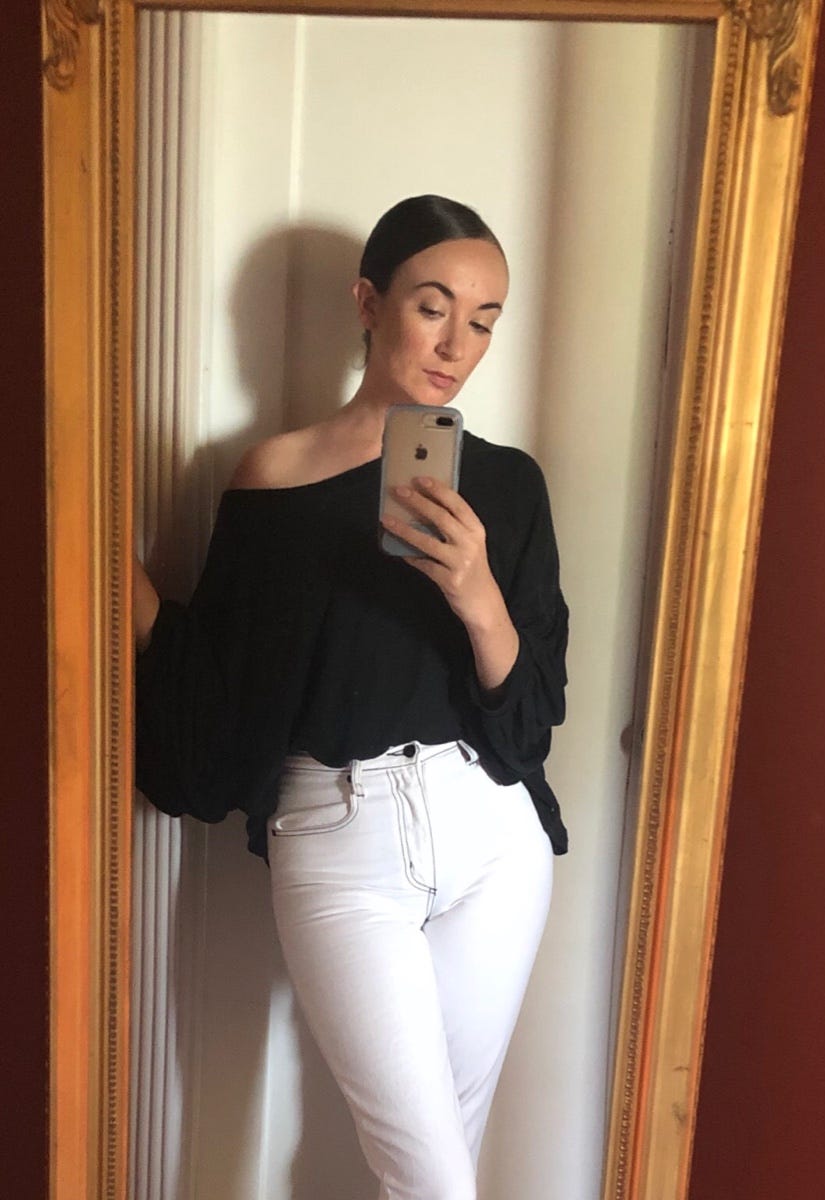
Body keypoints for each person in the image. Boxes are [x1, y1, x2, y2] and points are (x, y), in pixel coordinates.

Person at [134, 194, 569, 1200]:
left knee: (436, 1167)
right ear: (369, 303)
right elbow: (222, 691)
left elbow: (533, 711)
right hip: (340, 840)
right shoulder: (273, 477)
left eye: (484, 321)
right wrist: (119, 578)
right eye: (433, 307)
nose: (457, 345)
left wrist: (477, 593)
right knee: (434, 1180)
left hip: (491, 837)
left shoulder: (508, 486)